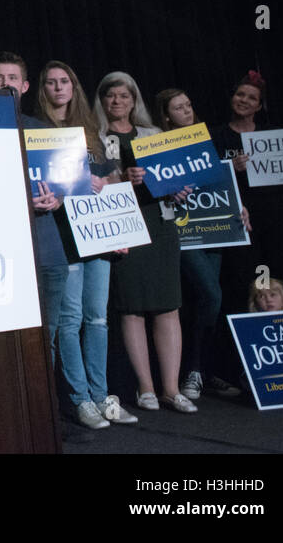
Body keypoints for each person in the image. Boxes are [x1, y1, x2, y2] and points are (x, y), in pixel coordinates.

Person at [34, 60, 134, 429]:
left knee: (97, 318)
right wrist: (71, 185)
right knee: (70, 320)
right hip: (63, 236)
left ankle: (100, 394)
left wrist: (111, 202)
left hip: (98, 232)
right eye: (51, 82)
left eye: (65, 82)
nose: (59, 88)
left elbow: (113, 179)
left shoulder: (90, 130)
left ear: (74, 88)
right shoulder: (36, 130)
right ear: (41, 89)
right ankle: (79, 400)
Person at [95, 71, 196, 414]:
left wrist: (179, 188)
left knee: (168, 306)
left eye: (124, 96)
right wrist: (122, 180)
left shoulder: (155, 135)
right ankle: (146, 388)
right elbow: (89, 189)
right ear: (102, 100)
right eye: (111, 96)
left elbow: (178, 178)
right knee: (132, 308)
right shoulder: (93, 137)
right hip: (123, 226)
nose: (117, 102)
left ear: (134, 100)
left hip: (160, 224)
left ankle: (171, 388)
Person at [154, 88, 242, 400]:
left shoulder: (208, 138)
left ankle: (202, 371)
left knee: (207, 302)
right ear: (166, 116)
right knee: (211, 294)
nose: (187, 111)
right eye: (178, 108)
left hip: (216, 229)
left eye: (189, 105)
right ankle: (193, 369)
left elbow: (222, 182)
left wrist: (238, 208)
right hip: (184, 232)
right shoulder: (159, 146)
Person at [0, 54, 69, 374]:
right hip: (2, 253)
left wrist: (56, 199)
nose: (6, 84)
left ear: (25, 85)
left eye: (12, 78)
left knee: (46, 336)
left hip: (47, 250)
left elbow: (61, 185)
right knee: (5, 341)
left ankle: (44, 420)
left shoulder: (43, 131)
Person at [209, 72, 283, 309]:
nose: (244, 100)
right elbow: (206, 179)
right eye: (240, 94)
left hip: (276, 214)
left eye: (251, 98)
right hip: (239, 216)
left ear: (259, 106)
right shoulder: (216, 137)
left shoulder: (273, 135)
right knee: (243, 275)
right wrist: (232, 167)